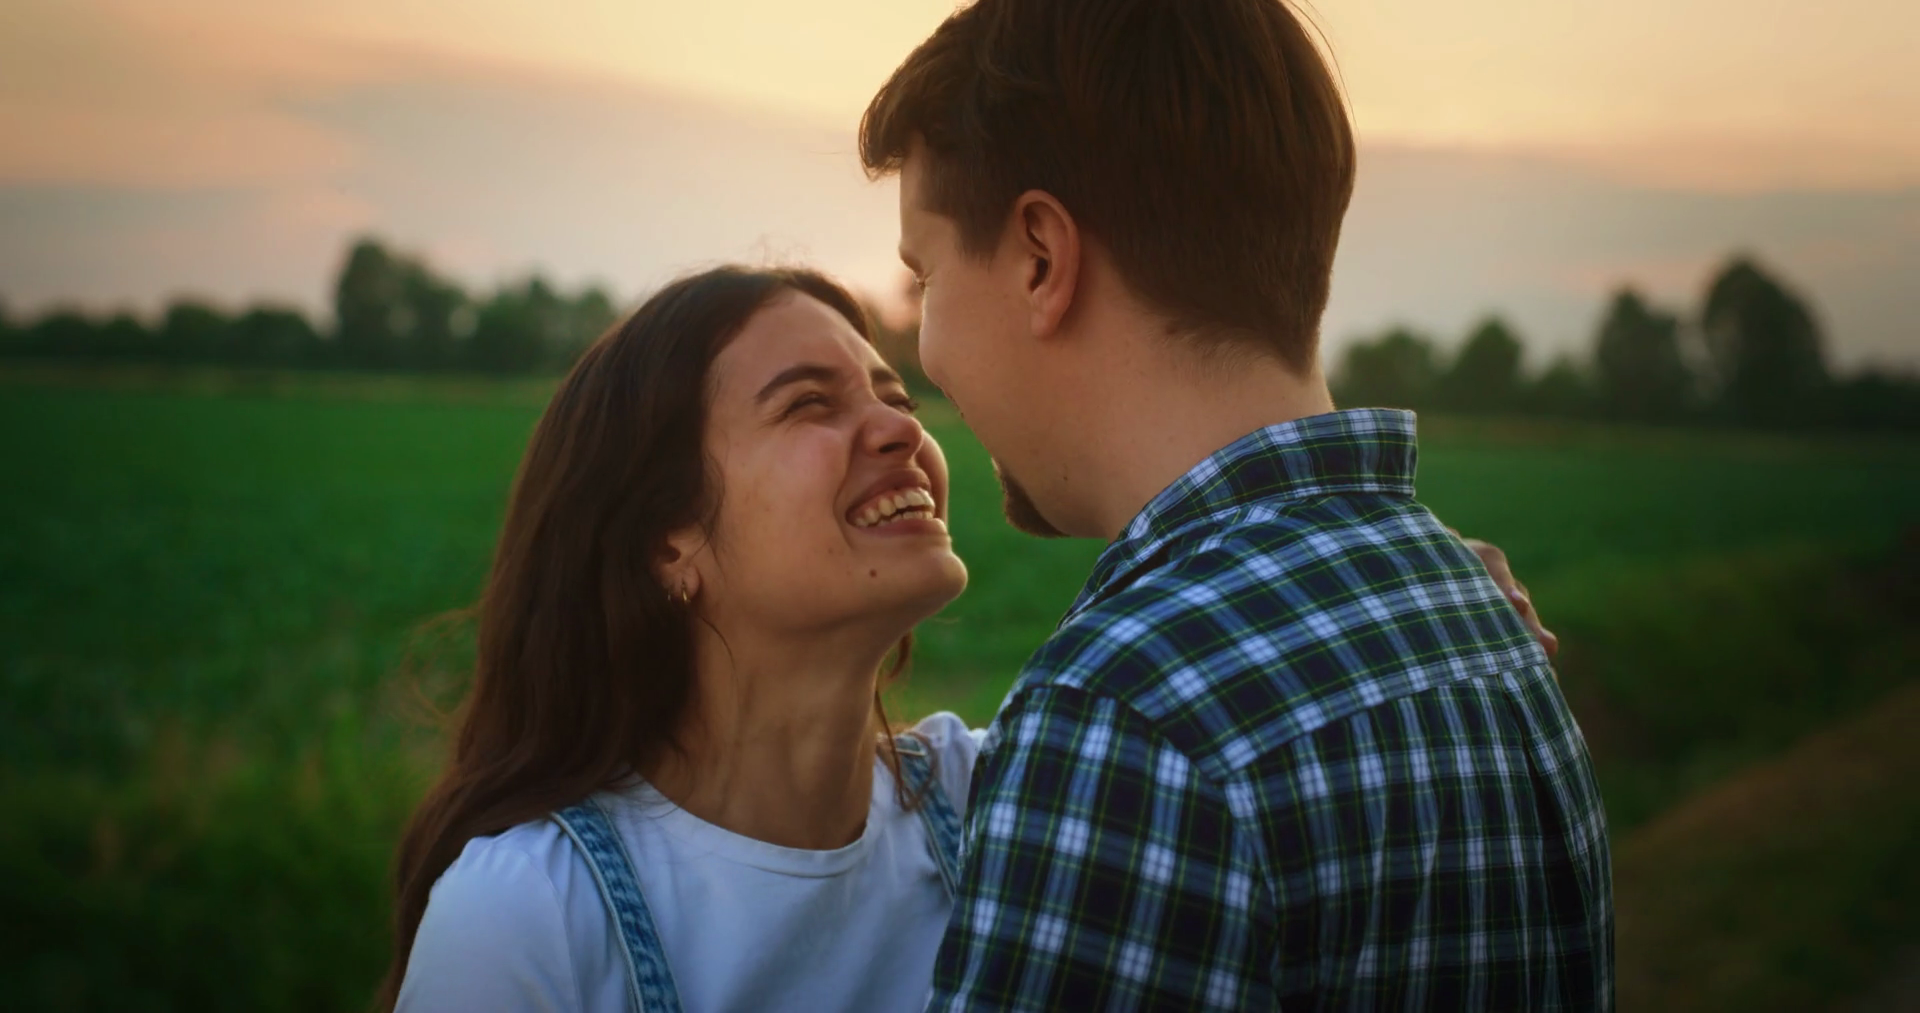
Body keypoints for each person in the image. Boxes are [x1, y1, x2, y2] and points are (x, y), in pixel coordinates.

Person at [378, 265, 1553, 1012]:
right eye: (810, 403)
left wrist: (1413, 595)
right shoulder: (533, 915)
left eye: (892, 390)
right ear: (667, 541)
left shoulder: (1020, 798)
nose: (896, 425)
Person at [857, 0, 1614, 1008]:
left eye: (927, 274)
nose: (927, 351)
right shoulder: (1482, 621)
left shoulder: (1129, 711)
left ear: (1041, 256)